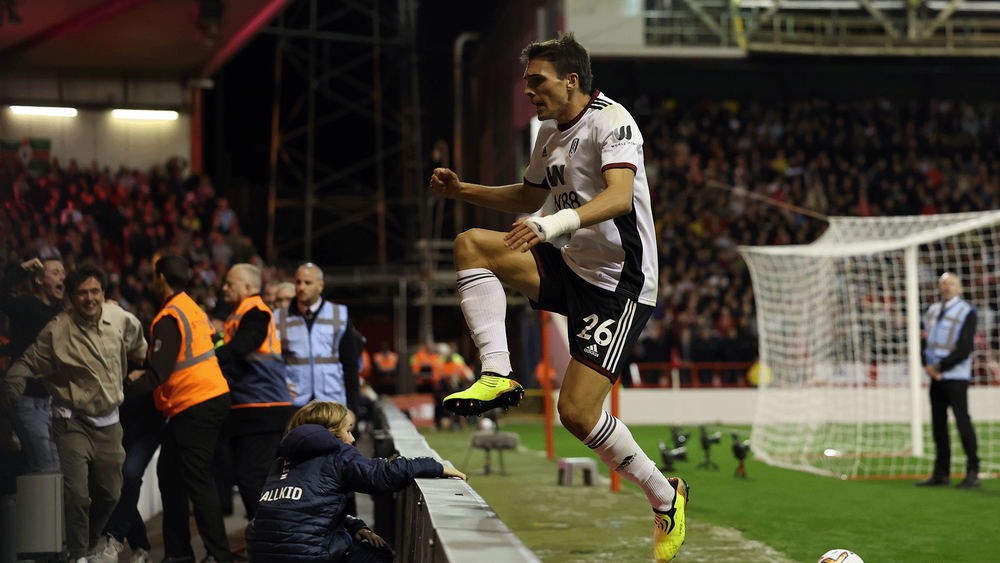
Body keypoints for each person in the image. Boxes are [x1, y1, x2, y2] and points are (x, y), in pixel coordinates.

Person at [428, 34, 688, 562]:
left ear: (571, 80)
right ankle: (497, 372)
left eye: (536, 80)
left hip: (620, 285)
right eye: (526, 81)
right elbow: (528, 196)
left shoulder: (613, 121)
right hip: (572, 264)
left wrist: (550, 225)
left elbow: (617, 198)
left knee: (575, 413)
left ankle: (666, 497)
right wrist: (464, 192)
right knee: (471, 244)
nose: (528, 91)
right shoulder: (549, 133)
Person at [2, 263, 147, 563]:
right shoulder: (57, 330)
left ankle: (90, 544)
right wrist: (12, 387)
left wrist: (144, 370)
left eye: (95, 291)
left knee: (111, 494)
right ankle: (78, 555)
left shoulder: (120, 318)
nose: (90, 298)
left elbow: (140, 347)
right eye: (82, 293)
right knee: (78, 493)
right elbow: (25, 362)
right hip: (71, 421)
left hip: (110, 422)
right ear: (71, 296)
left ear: (103, 293)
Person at [244, 401, 467, 563]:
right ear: (332, 432)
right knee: (378, 554)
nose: (351, 439)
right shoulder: (337, 453)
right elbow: (383, 475)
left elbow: (306, 509)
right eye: (348, 430)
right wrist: (437, 466)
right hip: (308, 555)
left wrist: (353, 525)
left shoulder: (281, 461)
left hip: (259, 553)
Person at [125, 255, 233, 563]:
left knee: (197, 480)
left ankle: (219, 555)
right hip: (204, 398)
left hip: (195, 402)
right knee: (170, 474)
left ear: (161, 278)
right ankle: (178, 554)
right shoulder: (192, 307)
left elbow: (158, 373)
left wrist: (120, 390)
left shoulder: (170, 315)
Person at [215, 263, 295, 521]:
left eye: (230, 283)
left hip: (263, 409)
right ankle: (268, 539)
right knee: (253, 479)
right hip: (252, 409)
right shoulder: (241, 314)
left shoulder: (255, 313)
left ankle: (272, 539)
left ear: (249, 287)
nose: (224, 287)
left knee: (251, 478)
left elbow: (240, 348)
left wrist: (204, 359)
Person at [0, 257, 66, 472]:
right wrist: (21, 269)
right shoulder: (25, 305)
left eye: (63, 273)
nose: (62, 277)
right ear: (39, 280)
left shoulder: (61, 313)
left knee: (59, 470)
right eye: (55, 272)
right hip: (27, 400)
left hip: (52, 403)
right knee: (47, 469)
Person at [917, 272, 980, 489]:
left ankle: (973, 471)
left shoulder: (967, 312)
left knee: (963, 422)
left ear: (959, 288)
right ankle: (941, 473)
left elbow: (964, 347)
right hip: (935, 376)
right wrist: (926, 365)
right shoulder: (932, 311)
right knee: (938, 425)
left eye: (951, 283)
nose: (947, 287)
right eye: (943, 283)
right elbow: (924, 340)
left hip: (955, 375)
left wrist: (941, 367)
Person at [275, 263, 362, 414]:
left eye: (307, 283)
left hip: (332, 402)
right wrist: (278, 384)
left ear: (320, 286)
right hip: (294, 403)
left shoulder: (339, 314)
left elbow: (350, 364)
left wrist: (353, 408)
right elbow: (271, 360)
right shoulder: (278, 317)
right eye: (298, 282)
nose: (301, 287)